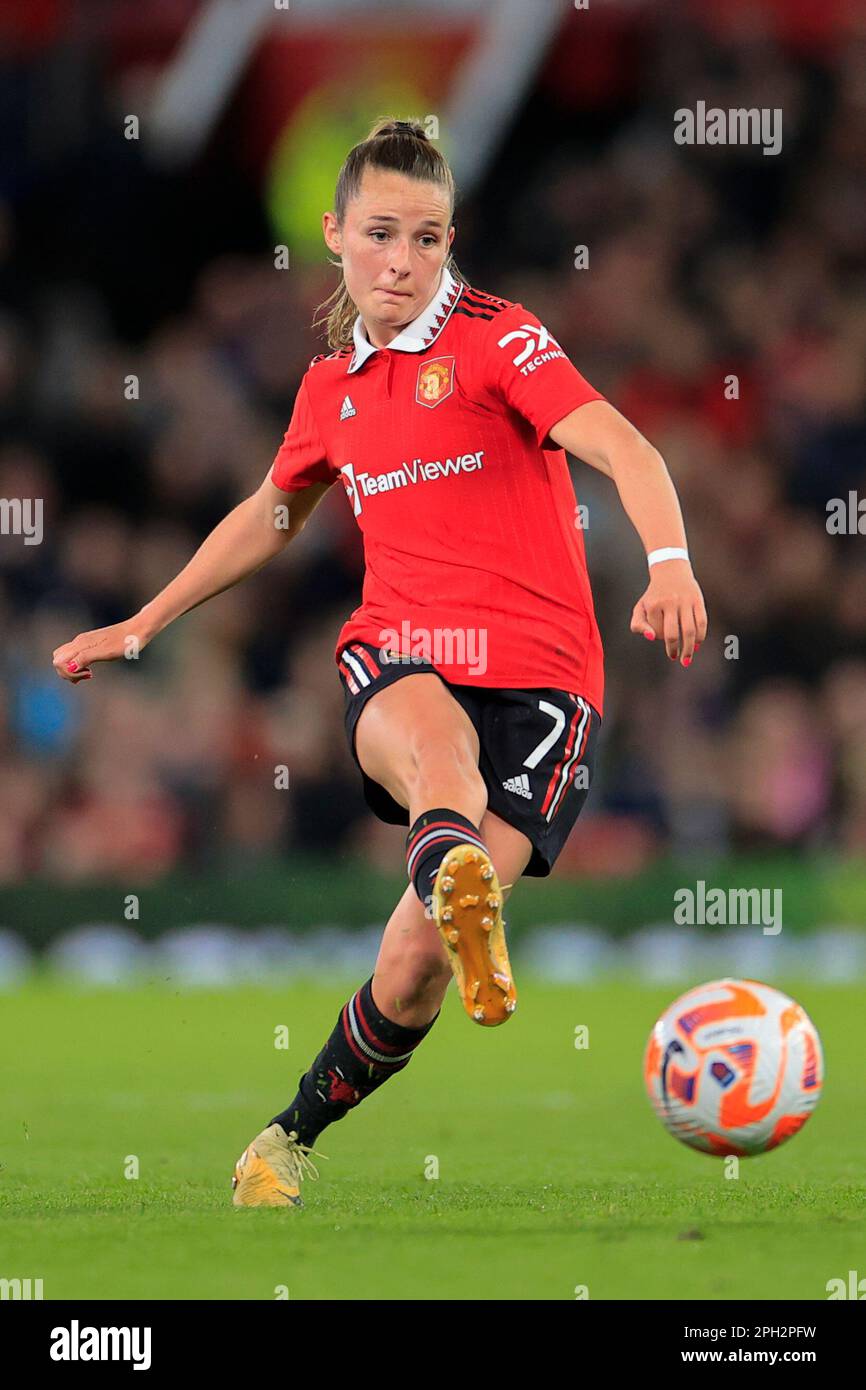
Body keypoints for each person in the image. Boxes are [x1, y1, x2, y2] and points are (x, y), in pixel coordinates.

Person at [52, 118, 707, 1209]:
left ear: (451, 242)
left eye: (426, 237)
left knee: (410, 965)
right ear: (335, 234)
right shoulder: (327, 391)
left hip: (545, 677)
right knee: (437, 758)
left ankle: (288, 1135)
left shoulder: (502, 340)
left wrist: (670, 562)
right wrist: (144, 622)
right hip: (405, 646)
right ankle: (457, 875)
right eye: (379, 234)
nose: (400, 261)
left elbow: (621, 444)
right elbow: (271, 515)